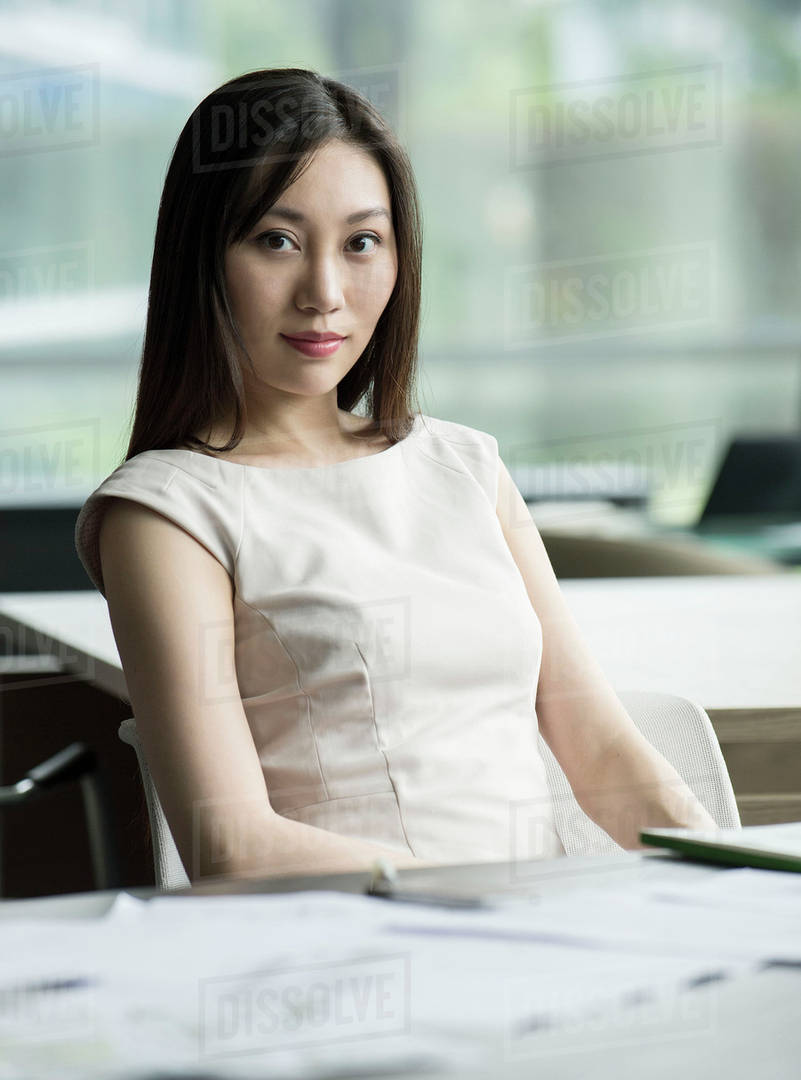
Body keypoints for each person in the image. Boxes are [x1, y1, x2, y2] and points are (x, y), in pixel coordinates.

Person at [74, 67, 717, 885]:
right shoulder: (166, 514)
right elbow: (230, 845)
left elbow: (600, 749)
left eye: (360, 243)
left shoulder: (464, 466)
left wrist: (732, 874)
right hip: (355, 939)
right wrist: (493, 900)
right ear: (202, 255)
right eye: (276, 241)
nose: (324, 294)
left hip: (542, 927)